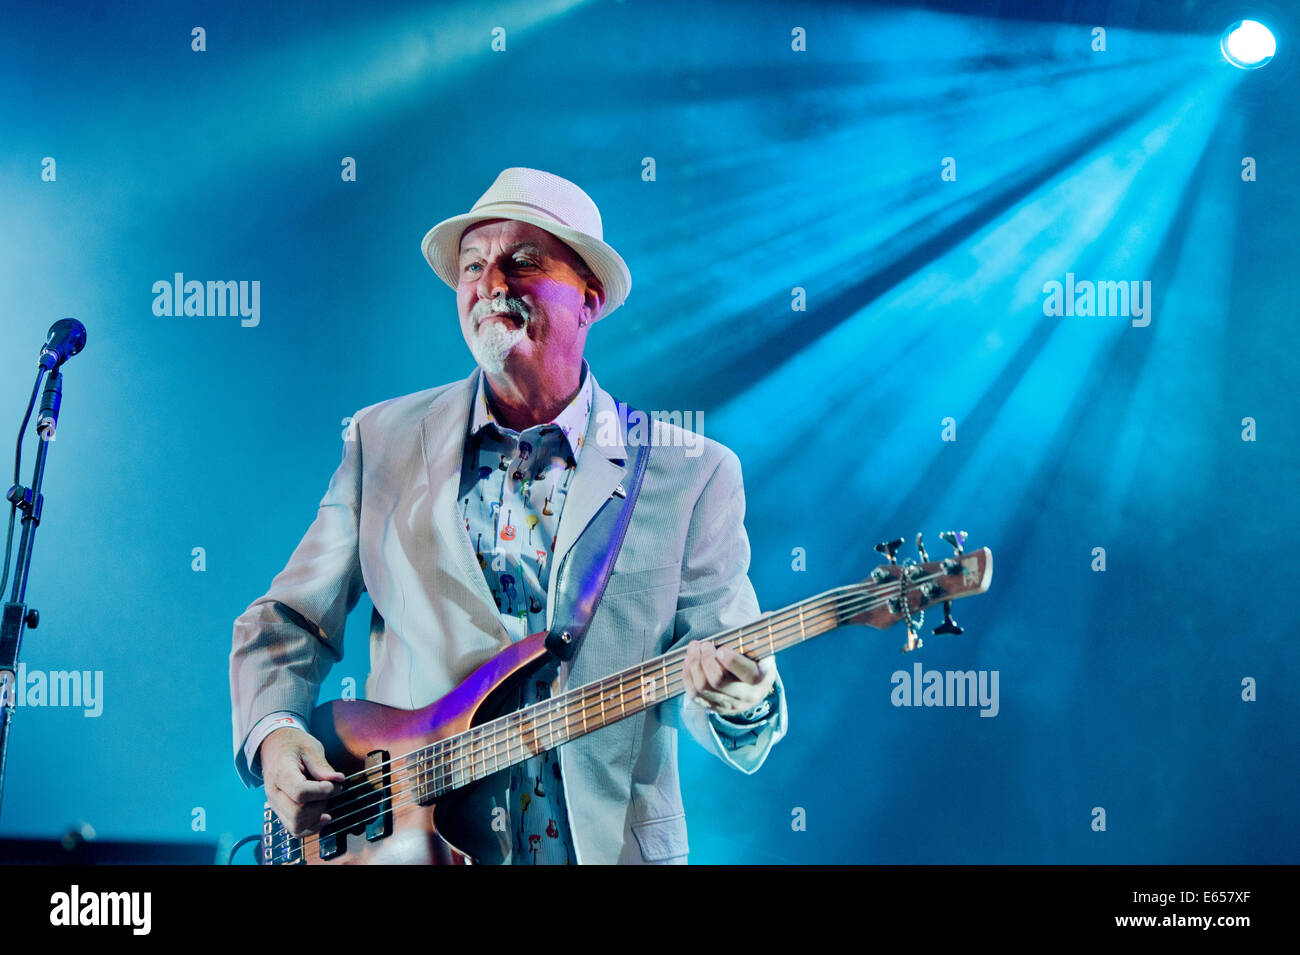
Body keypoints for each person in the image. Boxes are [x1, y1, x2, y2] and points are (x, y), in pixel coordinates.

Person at [229, 167, 787, 864]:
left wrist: (743, 699)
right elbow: (285, 620)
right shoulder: (381, 441)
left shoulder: (693, 472)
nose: (491, 282)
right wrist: (276, 734)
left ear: (589, 298)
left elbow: (722, 670)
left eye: (522, 260)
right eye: (473, 265)